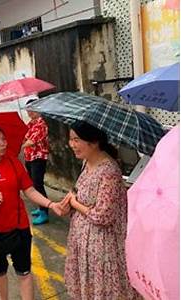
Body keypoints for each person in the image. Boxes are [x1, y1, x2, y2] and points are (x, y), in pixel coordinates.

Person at [0, 126, 64, 300]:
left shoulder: (12, 161)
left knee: (24, 272)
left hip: (19, 226)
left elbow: (29, 190)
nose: (3, 144)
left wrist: (51, 204)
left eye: (4, 139)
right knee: (0, 272)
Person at [60, 120, 141, 300]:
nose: (71, 145)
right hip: (83, 242)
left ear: (94, 142)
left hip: (102, 248)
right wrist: (67, 201)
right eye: (70, 139)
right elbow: (79, 192)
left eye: (76, 140)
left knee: (106, 292)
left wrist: (75, 204)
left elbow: (103, 215)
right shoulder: (86, 163)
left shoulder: (109, 171)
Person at [22, 100, 50, 225]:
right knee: (33, 183)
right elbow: (24, 136)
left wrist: (19, 147)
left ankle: (44, 211)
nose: (29, 111)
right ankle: (40, 207)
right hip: (29, 157)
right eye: (28, 109)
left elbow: (31, 141)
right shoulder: (30, 124)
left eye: (32, 109)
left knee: (38, 184)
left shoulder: (41, 125)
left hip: (38, 157)